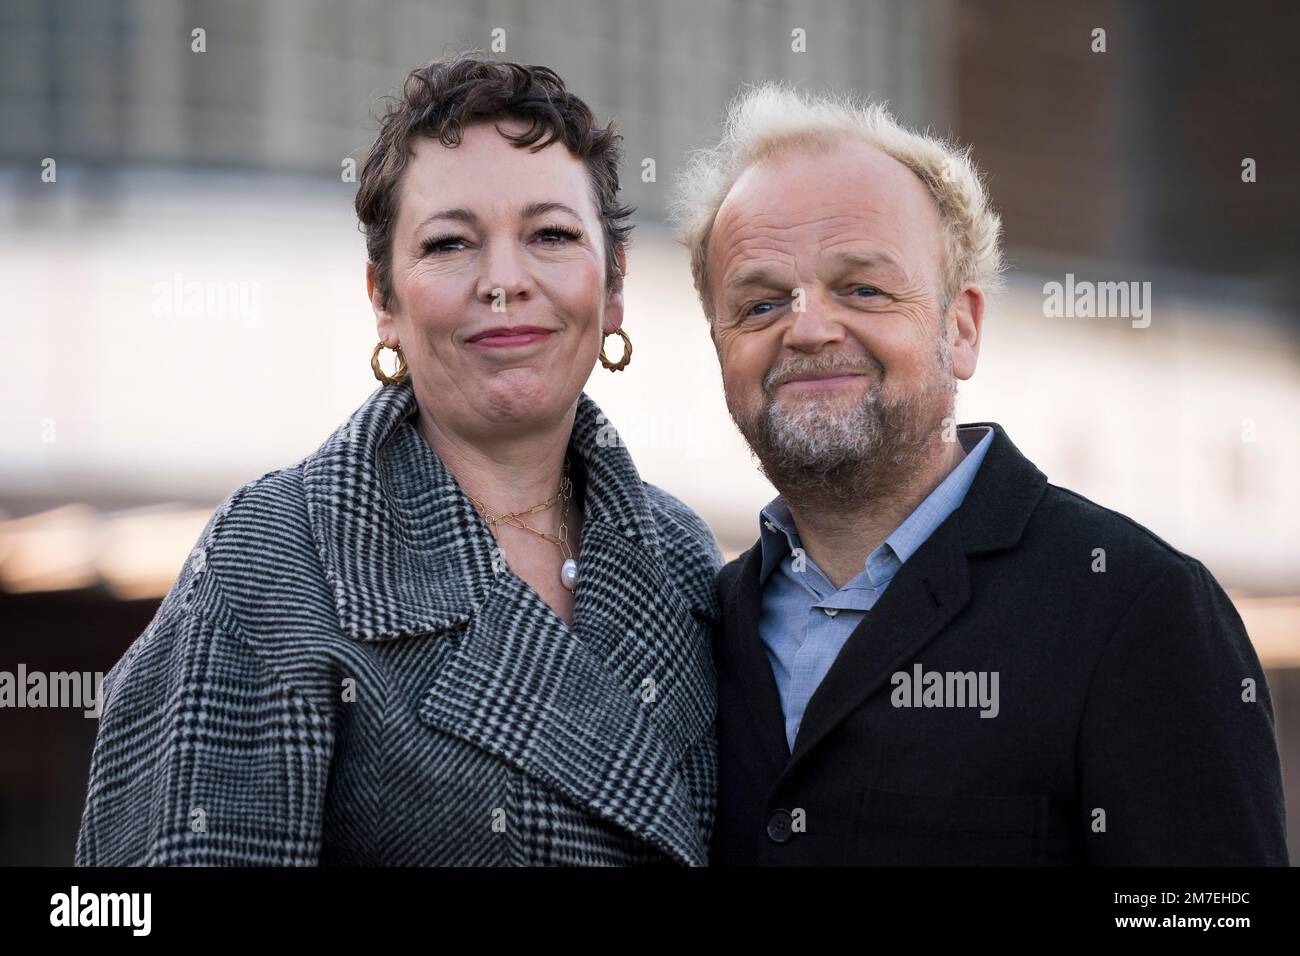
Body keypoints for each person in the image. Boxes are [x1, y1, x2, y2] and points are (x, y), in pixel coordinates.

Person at [75, 53, 721, 866]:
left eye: (551, 235)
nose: (503, 282)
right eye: (451, 243)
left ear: (614, 285)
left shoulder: (685, 560)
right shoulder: (269, 562)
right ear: (384, 300)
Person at [671, 82, 1289, 865]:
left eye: (862, 288)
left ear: (960, 328)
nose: (809, 328)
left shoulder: (1137, 609)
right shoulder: (695, 626)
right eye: (760, 304)